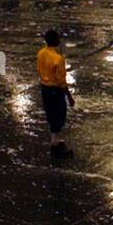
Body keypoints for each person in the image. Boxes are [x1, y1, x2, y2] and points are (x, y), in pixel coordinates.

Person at [36, 28, 75, 160]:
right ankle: (55, 144)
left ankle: (55, 139)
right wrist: (69, 97)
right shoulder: (58, 59)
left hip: (45, 89)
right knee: (59, 114)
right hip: (56, 90)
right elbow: (61, 81)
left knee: (51, 114)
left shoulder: (41, 53)